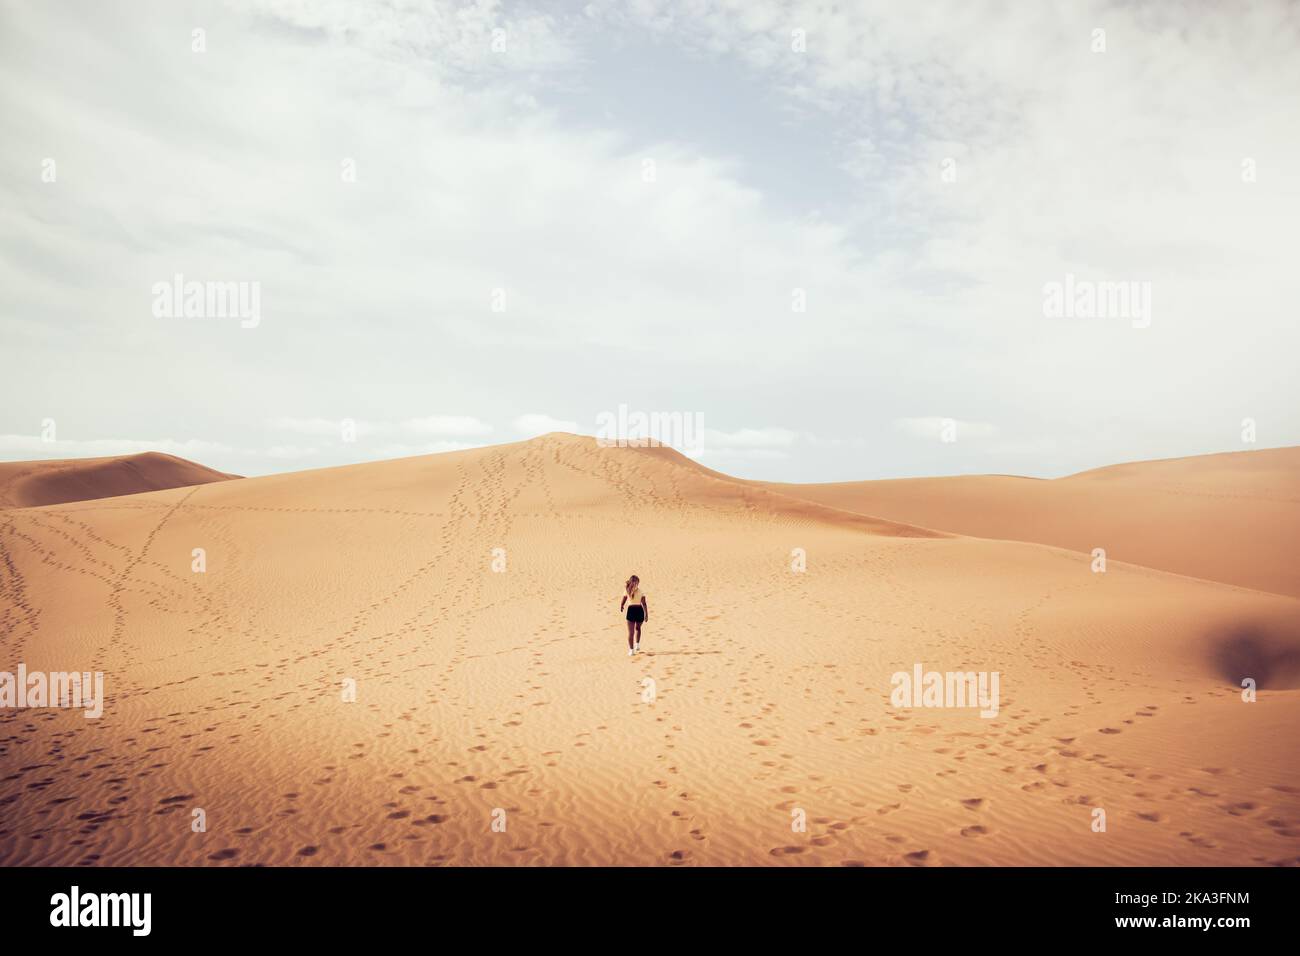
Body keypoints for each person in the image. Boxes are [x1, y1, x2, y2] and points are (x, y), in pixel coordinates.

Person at [619, 574, 648, 656]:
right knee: (630, 632)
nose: (637, 585)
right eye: (636, 583)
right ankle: (631, 650)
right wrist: (621, 605)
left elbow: (644, 603)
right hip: (631, 611)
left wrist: (646, 614)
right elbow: (624, 598)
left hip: (639, 610)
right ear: (632, 583)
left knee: (638, 628)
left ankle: (637, 644)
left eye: (638, 583)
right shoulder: (627, 590)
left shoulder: (641, 591)